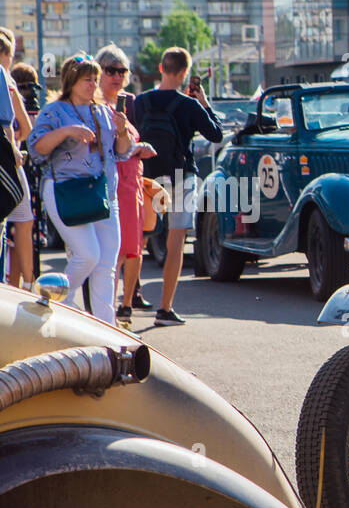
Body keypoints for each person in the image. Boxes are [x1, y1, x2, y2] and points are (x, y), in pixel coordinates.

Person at [27, 55, 135, 323]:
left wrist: (122, 132)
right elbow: (36, 148)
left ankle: (105, 330)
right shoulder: (54, 111)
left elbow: (121, 153)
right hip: (66, 192)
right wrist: (66, 131)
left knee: (106, 267)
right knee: (88, 255)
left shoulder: (103, 111)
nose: (93, 84)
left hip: (102, 194)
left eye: (95, 79)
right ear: (71, 80)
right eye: (87, 79)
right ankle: (51, 298)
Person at [133, 46, 223, 326]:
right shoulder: (189, 105)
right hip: (180, 178)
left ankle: (129, 297)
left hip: (147, 177)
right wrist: (204, 102)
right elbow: (216, 134)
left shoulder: (140, 102)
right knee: (176, 241)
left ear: (161, 68)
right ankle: (165, 309)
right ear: (185, 73)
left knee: (142, 233)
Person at [96, 44, 158, 324]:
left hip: (132, 186)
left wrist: (138, 147)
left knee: (134, 248)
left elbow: (125, 144)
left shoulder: (123, 104)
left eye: (122, 71)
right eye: (110, 70)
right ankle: (106, 312)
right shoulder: (95, 105)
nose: (117, 76)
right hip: (113, 188)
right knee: (113, 254)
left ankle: (126, 305)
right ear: (99, 73)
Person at [0, 28, 34, 289]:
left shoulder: (8, 81)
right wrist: (13, 145)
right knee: (22, 222)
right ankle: (24, 285)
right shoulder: (6, 80)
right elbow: (21, 126)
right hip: (9, 162)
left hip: (10, 159)